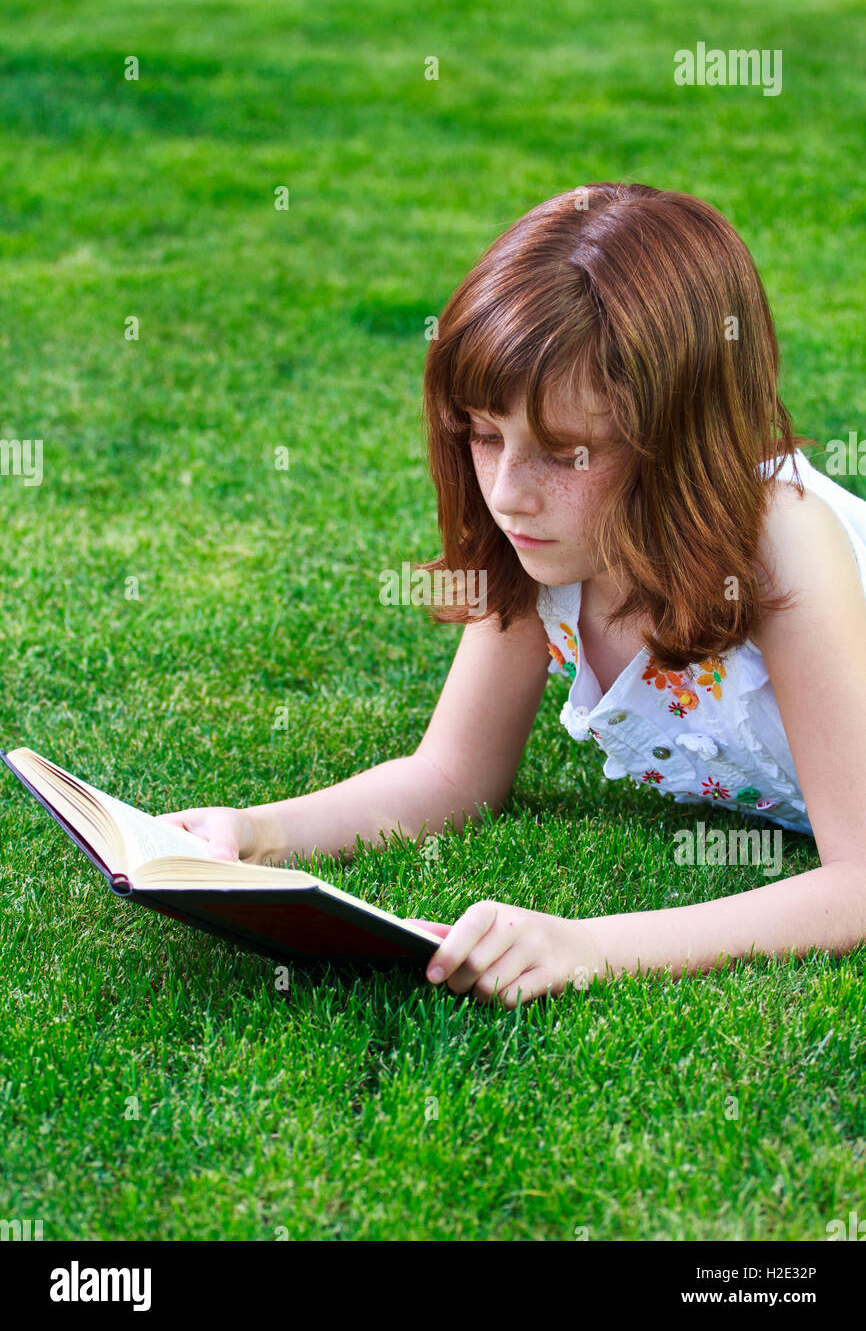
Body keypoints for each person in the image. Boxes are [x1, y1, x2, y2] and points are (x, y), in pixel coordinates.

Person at [159, 183, 866, 1007]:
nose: (506, 491)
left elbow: (856, 879)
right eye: (484, 435)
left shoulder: (781, 539)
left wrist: (590, 945)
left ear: (681, 437)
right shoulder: (549, 547)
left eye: (567, 452)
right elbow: (454, 775)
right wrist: (256, 831)